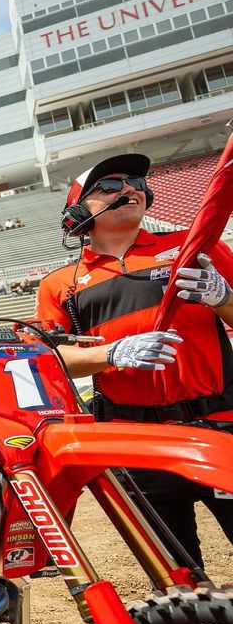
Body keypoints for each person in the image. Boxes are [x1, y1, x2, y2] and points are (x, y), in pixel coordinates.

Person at [36, 152, 233, 569]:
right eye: (109, 185)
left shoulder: (195, 245)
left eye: (137, 183)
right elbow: (48, 359)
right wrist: (111, 354)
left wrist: (225, 299)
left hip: (222, 426)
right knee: (175, 572)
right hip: (138, 442)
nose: (130, 189)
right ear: (77, 209)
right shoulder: (58, 284)